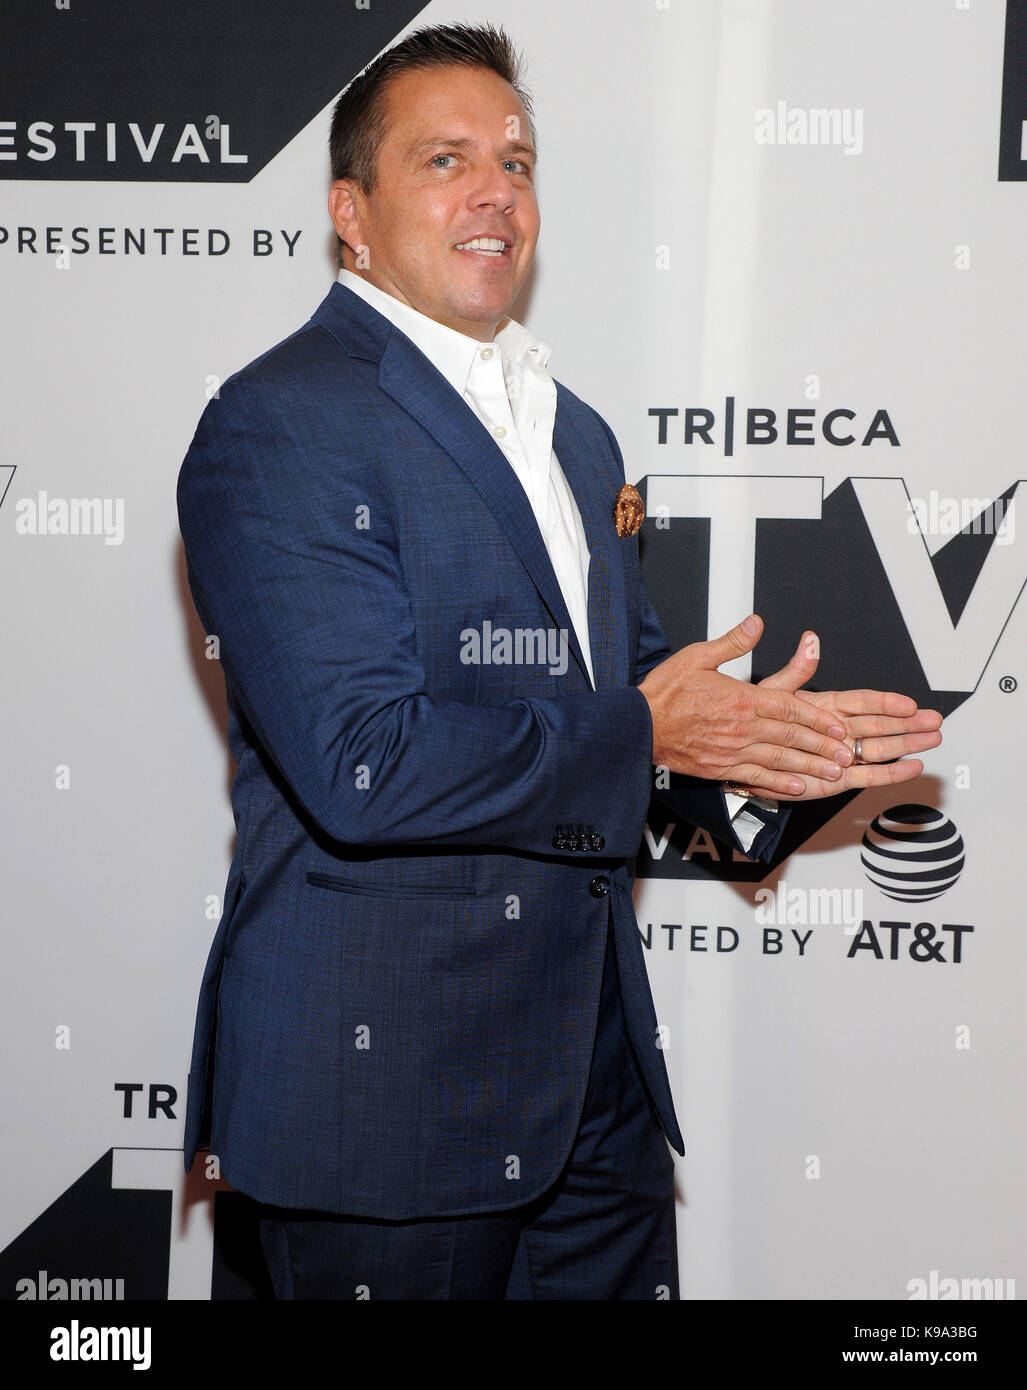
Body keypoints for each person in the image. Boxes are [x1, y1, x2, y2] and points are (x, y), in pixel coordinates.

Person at [176, 23, 941, 1300]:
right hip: (386, 1125)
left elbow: (629, 713)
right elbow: (365, 763)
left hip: (591, 1104)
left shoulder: (576, 435)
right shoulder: (279, 421)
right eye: (446, 160)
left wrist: (774, 766)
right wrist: (654, 735)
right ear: (348, 214)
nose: (496, 190)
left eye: (517, 161)